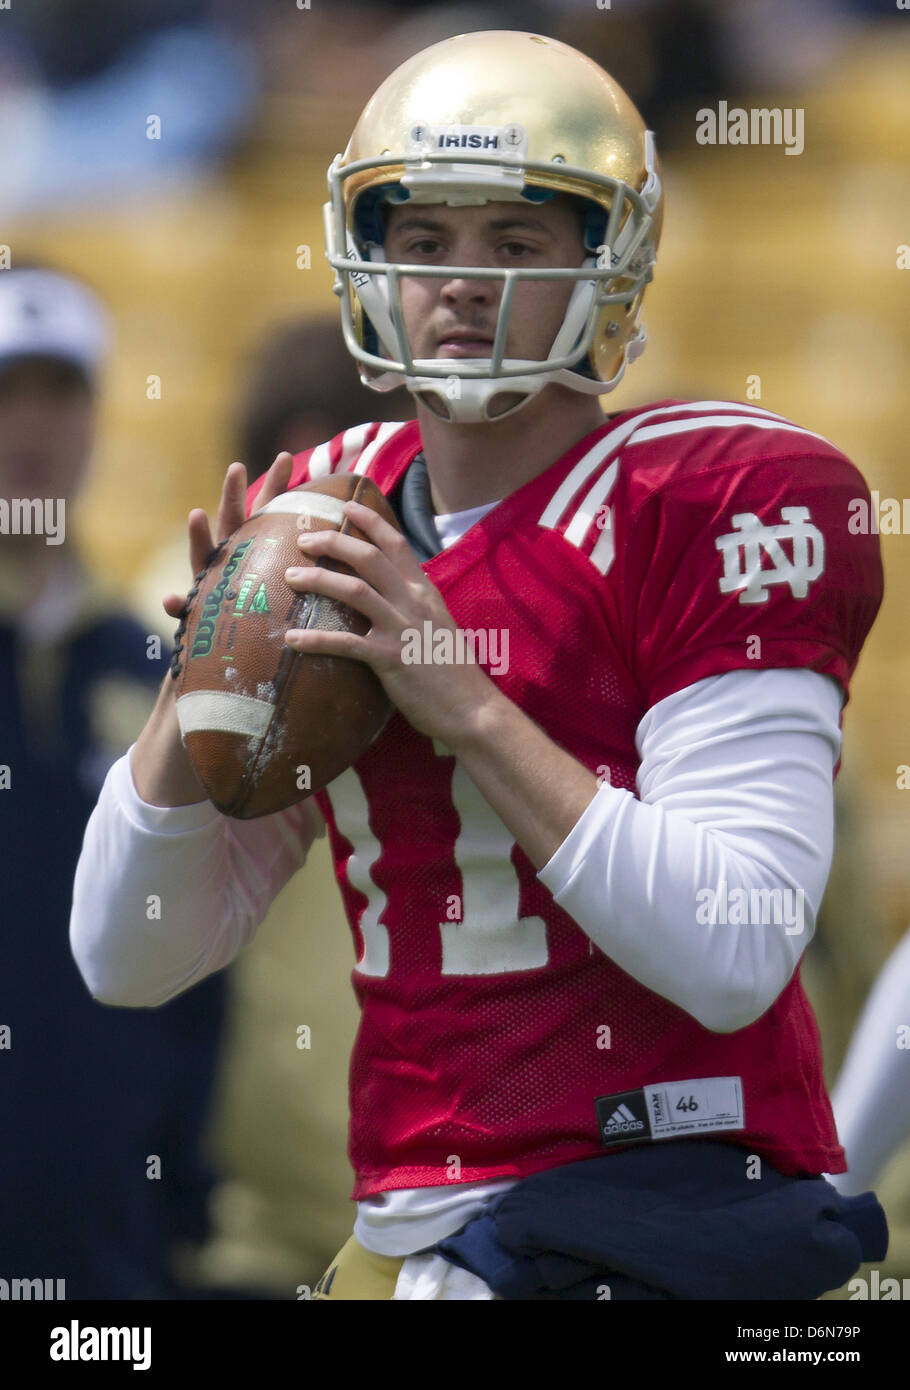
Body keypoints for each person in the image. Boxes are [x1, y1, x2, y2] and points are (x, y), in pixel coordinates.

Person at [70, 31, 888, 1300]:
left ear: (603, 263)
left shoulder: (711, 498)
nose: (462, 286)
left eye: (515, 245)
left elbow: (734, 949)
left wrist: (463, 699)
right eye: (425, 242)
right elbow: (127, 956)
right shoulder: (328, 509)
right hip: (405, 1228)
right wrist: (197, 697)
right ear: (369, 258)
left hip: (656, 1213)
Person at [0, 261, 226, 1298]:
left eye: (60, 390)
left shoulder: (155, 672)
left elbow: (199, 963)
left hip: (115, 1243)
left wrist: (181, 1191)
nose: (31, 425)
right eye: (6, 391)